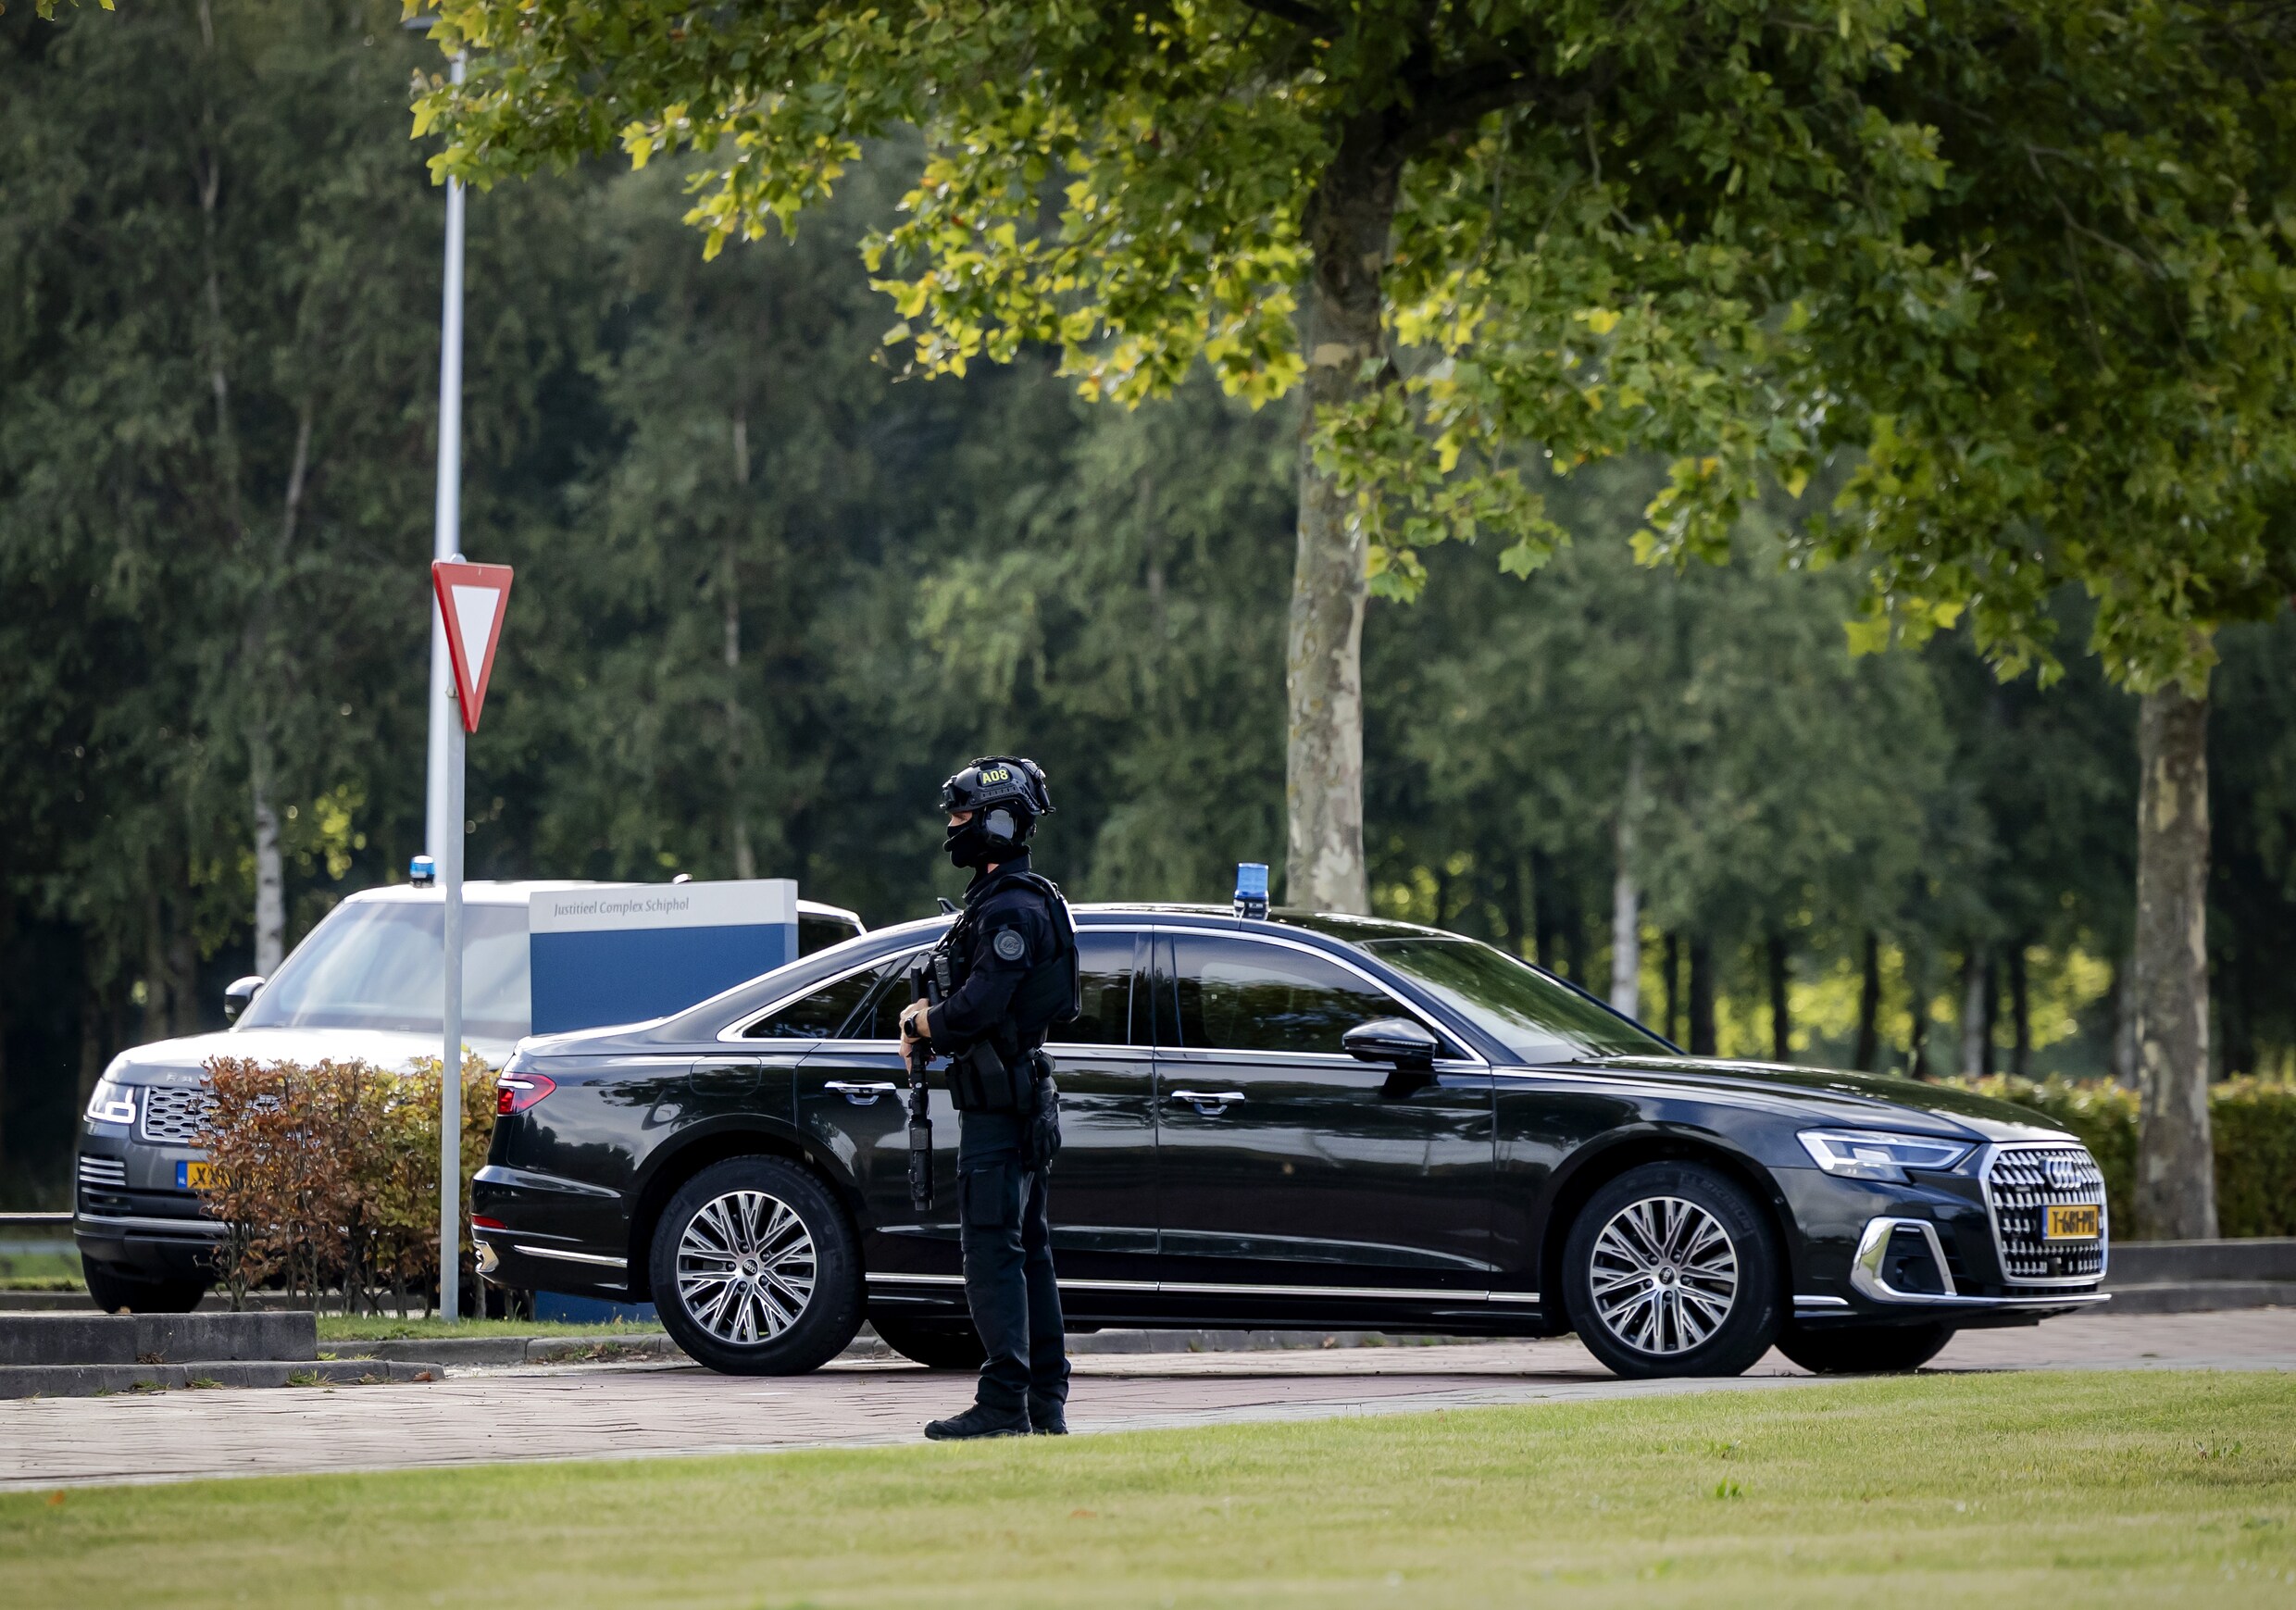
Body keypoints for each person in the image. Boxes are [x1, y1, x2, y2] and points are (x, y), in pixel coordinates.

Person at [900, 755, 1076, 1440]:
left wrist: (921, 1023)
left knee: (995, 1250)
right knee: (1026, 1248)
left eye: (963, 815)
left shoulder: (1011, 908)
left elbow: (978, 1006)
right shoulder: (1014, 898)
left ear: (998, 822)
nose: (953, 827)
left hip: (1002, 1107)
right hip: (1014, 1095)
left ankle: (1007, 1400)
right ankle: (1042, 1402)